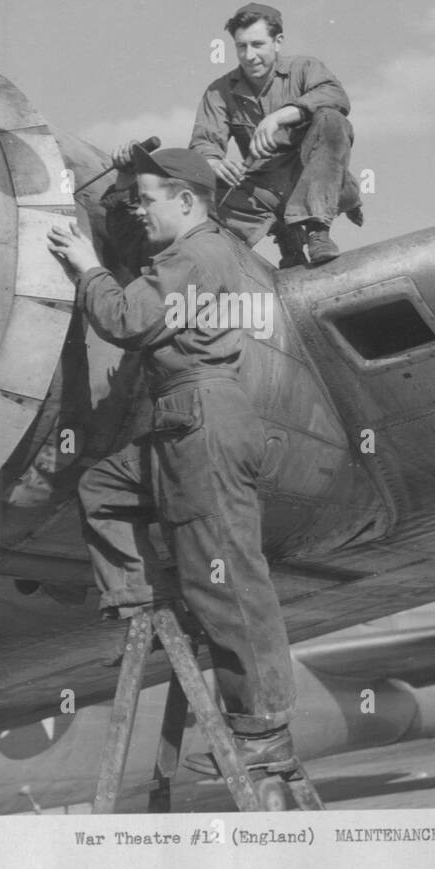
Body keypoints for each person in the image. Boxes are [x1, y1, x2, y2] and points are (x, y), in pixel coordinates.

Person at [46, 145, 297, 773]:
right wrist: (118, 187)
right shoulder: (192, 250)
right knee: (104, 486)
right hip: (182, 417)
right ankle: (143, 610)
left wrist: (84, 265)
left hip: (202, 420)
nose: (140, 210)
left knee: (227, 580)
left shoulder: (195, 254)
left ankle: (263, 733)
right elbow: (141, 262)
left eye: (149, 199)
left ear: (185, 201)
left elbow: (128, 317)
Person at [190, 2, 362, 267]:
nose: (249, 56)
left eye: (258, 45)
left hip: (317, 176)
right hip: (263, 186)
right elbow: (204, 144)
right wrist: (213, 163)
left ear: (278, 41)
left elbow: (335, 96)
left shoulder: (305, 67)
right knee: (193, 191)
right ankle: (285, 233)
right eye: (241, 46)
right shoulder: (219, 91)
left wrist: (278, 118)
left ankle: (317, 229)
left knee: (332, 120)